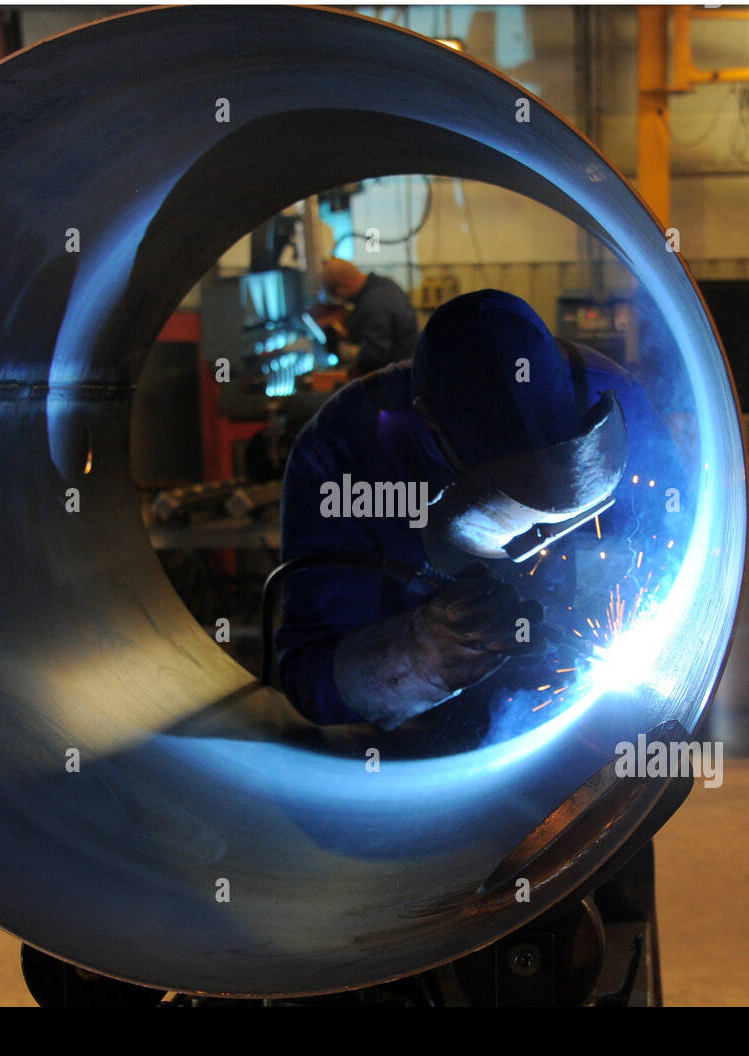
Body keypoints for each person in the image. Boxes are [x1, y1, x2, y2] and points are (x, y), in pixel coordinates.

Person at [275, 289, 681, 735]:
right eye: (515, 493)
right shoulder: (349, 447)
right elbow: (308, 676)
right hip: (423, 739)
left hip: (583, 711)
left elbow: (684, 548)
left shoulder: (609, 393)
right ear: (431, 422)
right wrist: (427, 653)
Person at [319, 258, 419, 378]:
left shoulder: (376, 302)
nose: (340, 299)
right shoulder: (383, 286)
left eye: (335, 294)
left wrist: (337, 347)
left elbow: (374, 355)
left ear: (343, 284)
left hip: (394, 381)